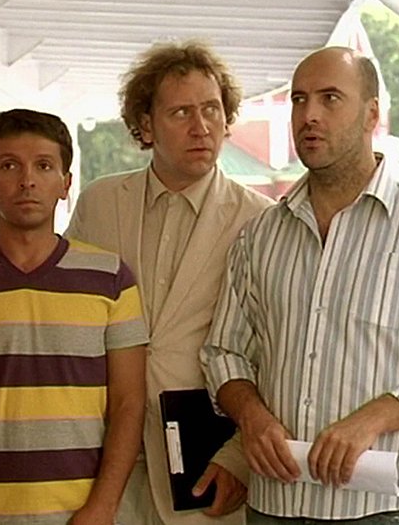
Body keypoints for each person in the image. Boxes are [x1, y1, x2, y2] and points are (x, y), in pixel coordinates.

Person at [201, 46, 399, 524]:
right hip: (275, 506)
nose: (309, 115)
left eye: (330, 98)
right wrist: (251, 417)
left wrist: (374, 418)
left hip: (387, 509)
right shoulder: (259, 237)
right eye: (299, 100)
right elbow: (225, 352)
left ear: (371, 114)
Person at [66, 40, 274, 524]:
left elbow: (278, 356)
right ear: (145, 125)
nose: (201, 127)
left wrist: (239, 459)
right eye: (181, 112)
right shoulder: (99, 204)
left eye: (212, 110)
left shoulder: (261, 221)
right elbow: (72, 321)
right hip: (102, 463)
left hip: (209, 470)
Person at [0, 109, 149, 524]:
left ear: (65, 183)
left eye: (43, 166)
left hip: (82, 517)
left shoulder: (111, 278)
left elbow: (129, 403)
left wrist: (102, 508)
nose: (27, 180)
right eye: (9, 166)